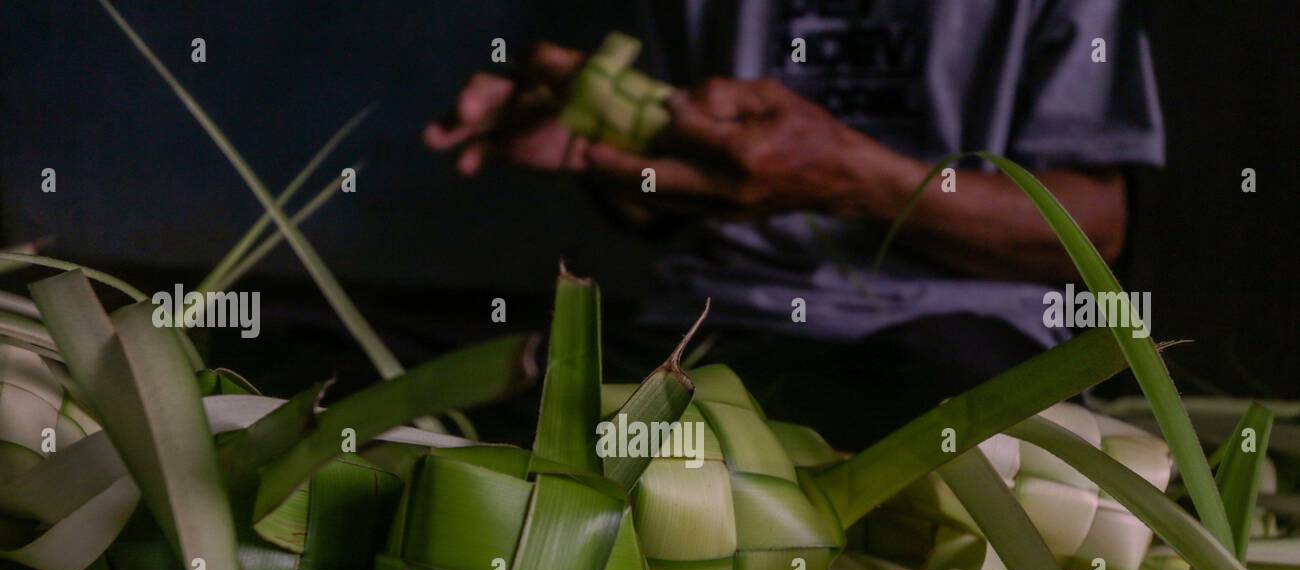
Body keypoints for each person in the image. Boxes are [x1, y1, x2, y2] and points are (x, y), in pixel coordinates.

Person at [424, 1, 1164, 445]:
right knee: (451, 422)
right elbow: (678, 192)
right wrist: (599, 148)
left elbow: (1093, 232)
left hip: (957, 332)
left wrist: (856, 179)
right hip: (717, 321)